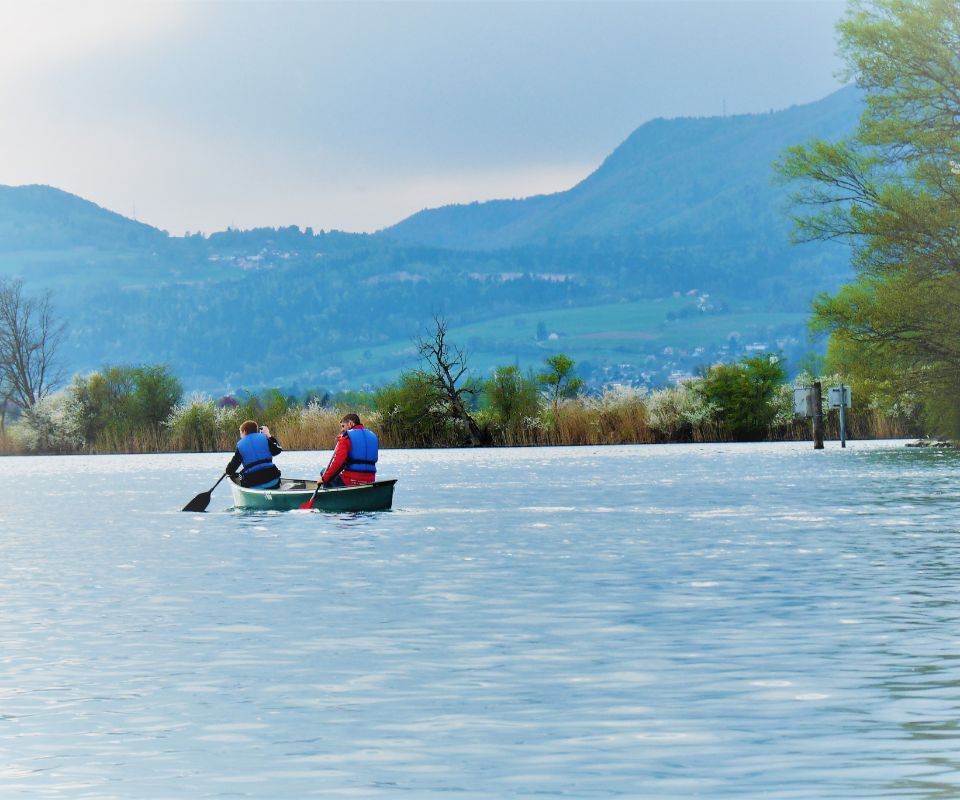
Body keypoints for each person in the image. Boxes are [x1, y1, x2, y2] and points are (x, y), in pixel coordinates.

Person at [318, 412, 378, 488]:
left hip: (350, 482)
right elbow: (359, 445)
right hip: (370, 481)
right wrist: (343, 440)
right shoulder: (372, 436)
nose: (342, 429)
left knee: (324, 471)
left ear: (350, 424)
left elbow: (338, 463)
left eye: (343, 426)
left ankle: (330, 497)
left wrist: (324, 479)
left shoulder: (346, 438)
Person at [226, 420, 283, 489]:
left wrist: (228, 471)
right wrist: (268, 435)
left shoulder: (240, 445)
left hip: (254, 483)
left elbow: (231, 469)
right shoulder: (265, 438)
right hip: (273, 480)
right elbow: (277, 450)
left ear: (244, 431)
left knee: (242, 476)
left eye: (240, 433)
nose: (240, 436)